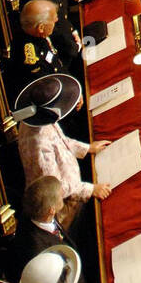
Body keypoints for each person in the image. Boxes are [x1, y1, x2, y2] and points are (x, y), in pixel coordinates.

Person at [15, 76, 111, 227]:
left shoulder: (37, 121)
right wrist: (91, 189)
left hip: (73, 185)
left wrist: (87, 148)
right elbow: (56, 188)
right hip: (64, 204)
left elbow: (61, 141)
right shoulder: (38, 144)